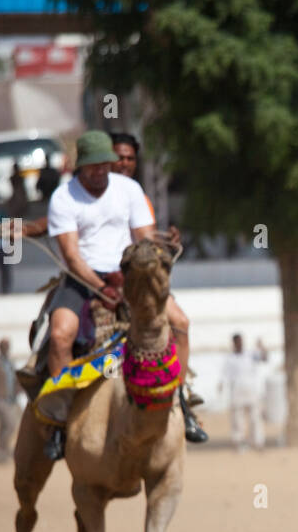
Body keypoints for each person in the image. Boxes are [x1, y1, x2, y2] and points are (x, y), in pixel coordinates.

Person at [44, 129, 206, 458]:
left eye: (106, 164)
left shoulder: (129, 190)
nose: (101, 171)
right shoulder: (64, 197)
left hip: (128, 276)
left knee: (180, 323)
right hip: (82, 279)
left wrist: (158, 251)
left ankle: (181, 400)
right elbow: (73, 257)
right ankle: (60, 423)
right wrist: (102, 287)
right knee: (61, 334)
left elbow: (144, 242)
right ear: (81, 166)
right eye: (94, 166)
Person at [219, 334, 267, 451]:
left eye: (241, 341)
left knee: (255, 417)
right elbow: (224, 375)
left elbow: (264, 358)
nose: (240, 344)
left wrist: (262, 347)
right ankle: (238, 441)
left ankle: (257, 441)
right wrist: (220, 385)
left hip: (251, 389)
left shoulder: (250, 354)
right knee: (237, 418)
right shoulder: (230, 358)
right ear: (234, 343)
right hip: (237, 390)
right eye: (237, 342)